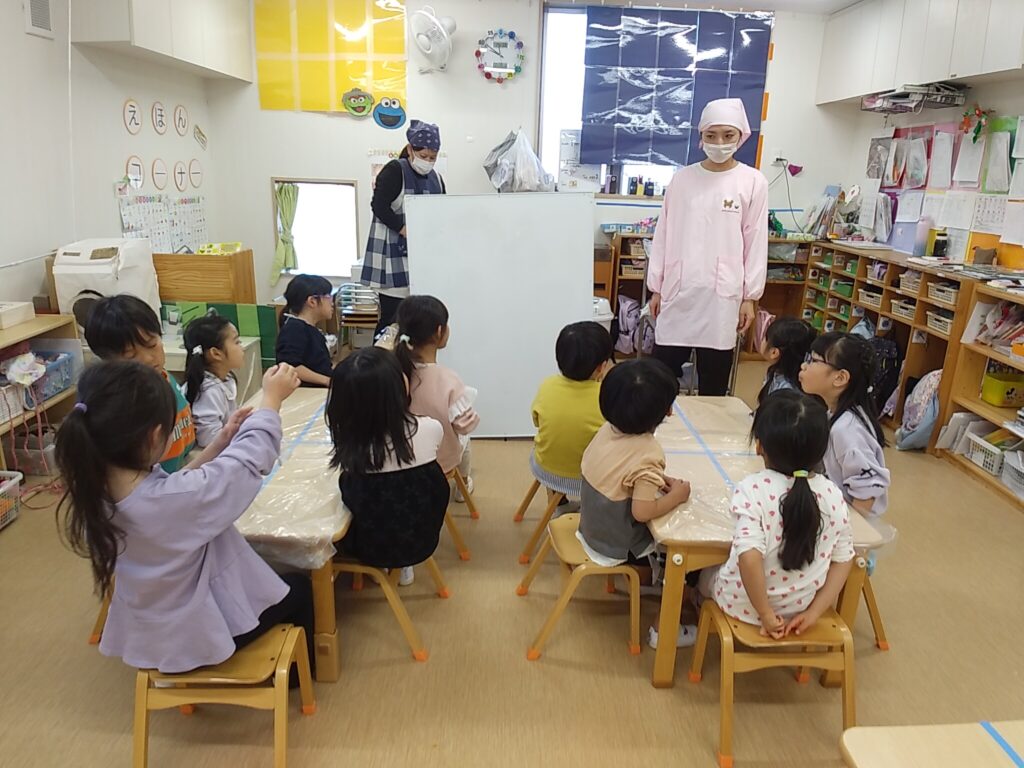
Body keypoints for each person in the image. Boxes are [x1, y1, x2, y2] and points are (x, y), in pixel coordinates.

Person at [54, 360, 315, 673]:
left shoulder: (94, 492)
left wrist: (219, 444)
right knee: (300, 587)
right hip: (193, 636)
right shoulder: (172, 502)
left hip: (149, 629)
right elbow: (247, 462)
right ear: (154, 437)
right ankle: (298, 678)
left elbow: (172, 494)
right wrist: (271, 401)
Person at [699, 389, 855, 637]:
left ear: (759, 445)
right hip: (800, 609)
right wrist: (814, 613)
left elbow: (749, 557)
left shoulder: (752, 489)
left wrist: (766, 615)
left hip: (744, 608)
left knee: (702, 571)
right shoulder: (832, 494)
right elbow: (845, 559)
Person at [647, 98, 769, 396]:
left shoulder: (753, 182)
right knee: (661, 377)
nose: (719, 143)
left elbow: (755, 242)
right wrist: (657, 287)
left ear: (741, 135)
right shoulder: (682, 180)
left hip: (722, 296)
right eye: (711, 135)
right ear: (701, 136)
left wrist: (749, 297)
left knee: (714, 382)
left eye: (728, 135)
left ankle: (708, 439)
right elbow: (664, 234)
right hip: (679, 289)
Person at [575, 358, 695, 649]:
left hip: (590, 526)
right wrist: (676, 496)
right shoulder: (647, 453)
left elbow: (622, 471)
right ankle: (661, 630)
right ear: (665, 412)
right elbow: (642, 513)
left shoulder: (607, 429)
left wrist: (655, 480)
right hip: (616, 544)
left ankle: (646, 580)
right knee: (687, 557)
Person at [327, 347, 449, 588]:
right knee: (401, 499)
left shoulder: (352, 449)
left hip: (366, 546)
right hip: (422, 537)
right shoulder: (431, 429)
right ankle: (403, 566)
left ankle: (385, 565)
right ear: (398, 389)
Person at [85, 294, 203, 473]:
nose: (148, 359)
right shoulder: (124, 406)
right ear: (107, 362)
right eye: (131, 356)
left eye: (152, 344)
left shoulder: (162, 377)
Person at [361, 120, 447, 337]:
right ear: (410, 149)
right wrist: (404, 228)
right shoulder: (395, 170)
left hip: (422, 257)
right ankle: (379, 368)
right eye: (424, 156)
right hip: (392, 256)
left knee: (418, 320)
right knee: (392, 318)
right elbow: (378, 205)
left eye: (432, 158)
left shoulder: (436, 178)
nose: (428, 162)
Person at [394, 295, 479, 499]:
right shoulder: (448, 380)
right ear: (440, 331)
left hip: (397, 459)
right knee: (465, 439)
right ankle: (463, 485)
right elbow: (464, 426)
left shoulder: (391, 370)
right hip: (436, 463)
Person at [799, 332, 890, 518]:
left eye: (813, 360)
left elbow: (867, 490)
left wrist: (852, 541)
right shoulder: (835, 415)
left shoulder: (847, 430)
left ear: (840, 378)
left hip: (847, 532)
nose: (804, 366)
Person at [530, 321, 613, 508]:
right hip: (589, 479)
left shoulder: (547, 386)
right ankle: (592, 511)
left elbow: (536, 420)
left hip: (545, 469)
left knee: (551, 444)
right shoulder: (606, 396)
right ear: (602, 367)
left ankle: (557, 504)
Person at [183, 314, 244, 448]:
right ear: (216, 353)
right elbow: (209, 439)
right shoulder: (208, 390)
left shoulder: (224, 379)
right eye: (237, 342)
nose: (241, 347)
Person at [276, 274, 334, 387]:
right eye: (329, 297)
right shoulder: (294, 329)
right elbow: (290, 366)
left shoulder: (308, 328)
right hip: (306, 393)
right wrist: (327, 380)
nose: (332, 303)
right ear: (312, 301)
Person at [757, 317, 817, 405]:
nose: (762, 340)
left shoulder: (787, 391)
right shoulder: (775, 372)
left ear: (774, 352)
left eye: (765, 338)